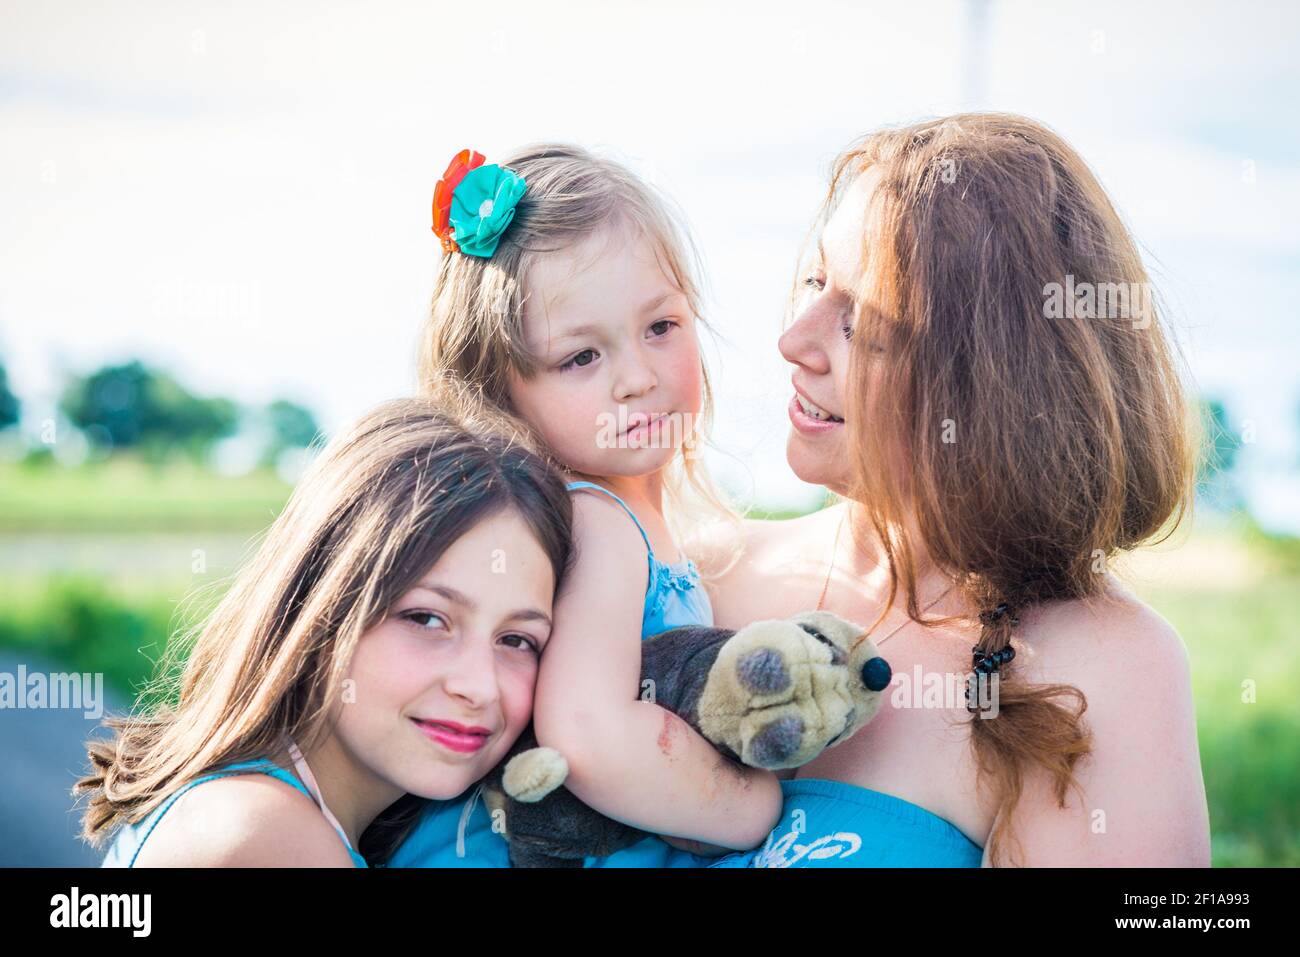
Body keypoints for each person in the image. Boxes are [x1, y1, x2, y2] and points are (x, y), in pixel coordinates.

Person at [694, 113, 1212, 867]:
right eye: (815, 279)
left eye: (862, 322)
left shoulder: (1103, 669)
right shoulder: (705, 574)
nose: (794, 341)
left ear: (991, 385)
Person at [389, 144, 783, 867]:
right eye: (581, 357)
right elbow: (588, 729)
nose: (638, 377)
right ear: (499, 389)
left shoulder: (635, 520)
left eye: (661, 327)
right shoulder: (598, 521)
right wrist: (753, 804)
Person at [78, 392, 573, 867]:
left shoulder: (288, 814)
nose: (479, 687)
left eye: (516, 640)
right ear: (321, 606)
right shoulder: (267, 835)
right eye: (426, 618)